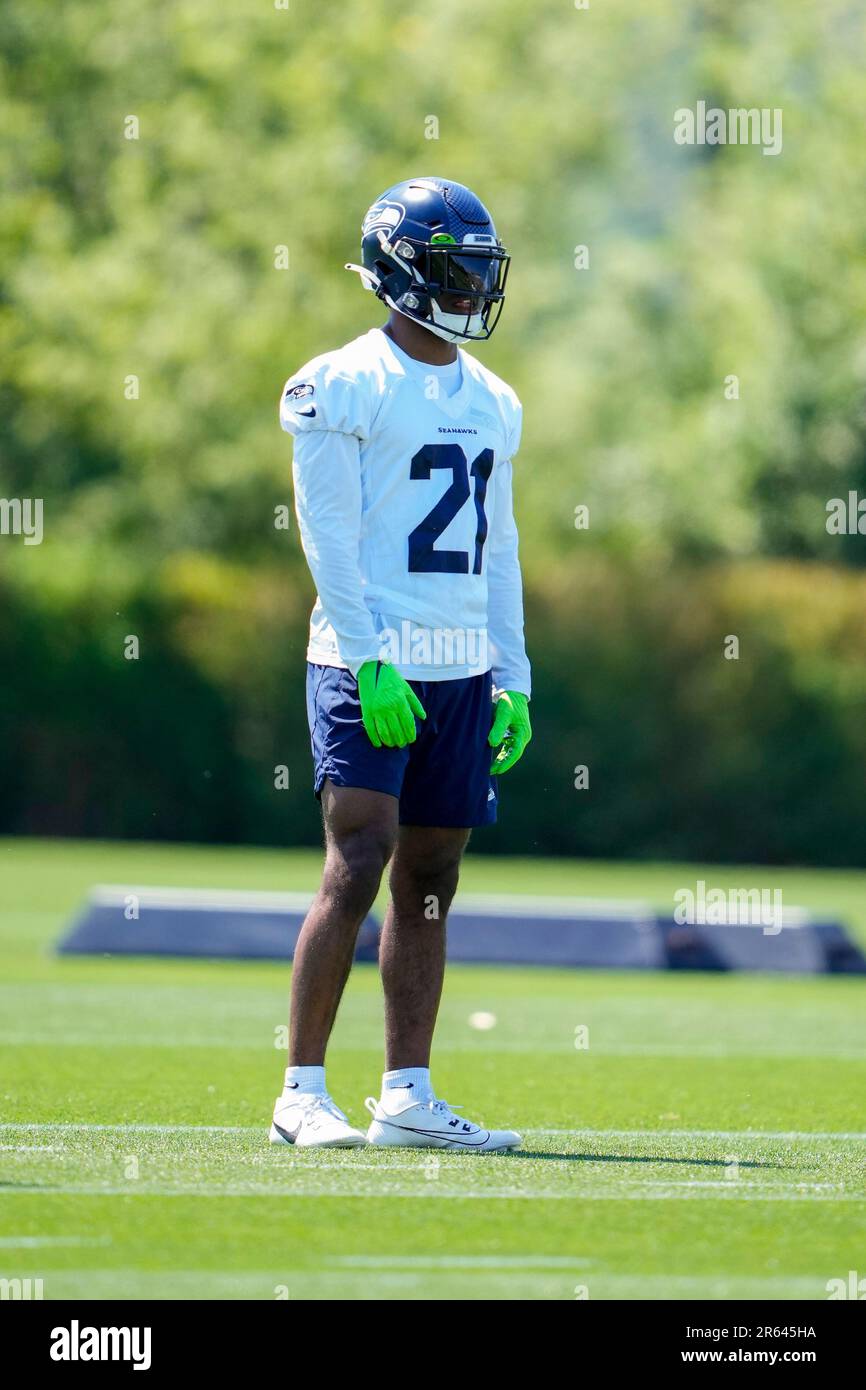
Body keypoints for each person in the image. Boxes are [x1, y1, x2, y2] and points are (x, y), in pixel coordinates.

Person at [272, 176, 531, 1151]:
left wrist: (514, 674)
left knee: (431, 873)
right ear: (399, 271)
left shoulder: (495, 400)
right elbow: (328, 539)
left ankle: (406, 1094)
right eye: (455, 268)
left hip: (462, 665)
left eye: (477, 268)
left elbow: (498, 546)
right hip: (363, 657)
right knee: (358, 855)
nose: (471, 287)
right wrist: (370, 659)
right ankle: (299, 1089)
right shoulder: (338, 381)